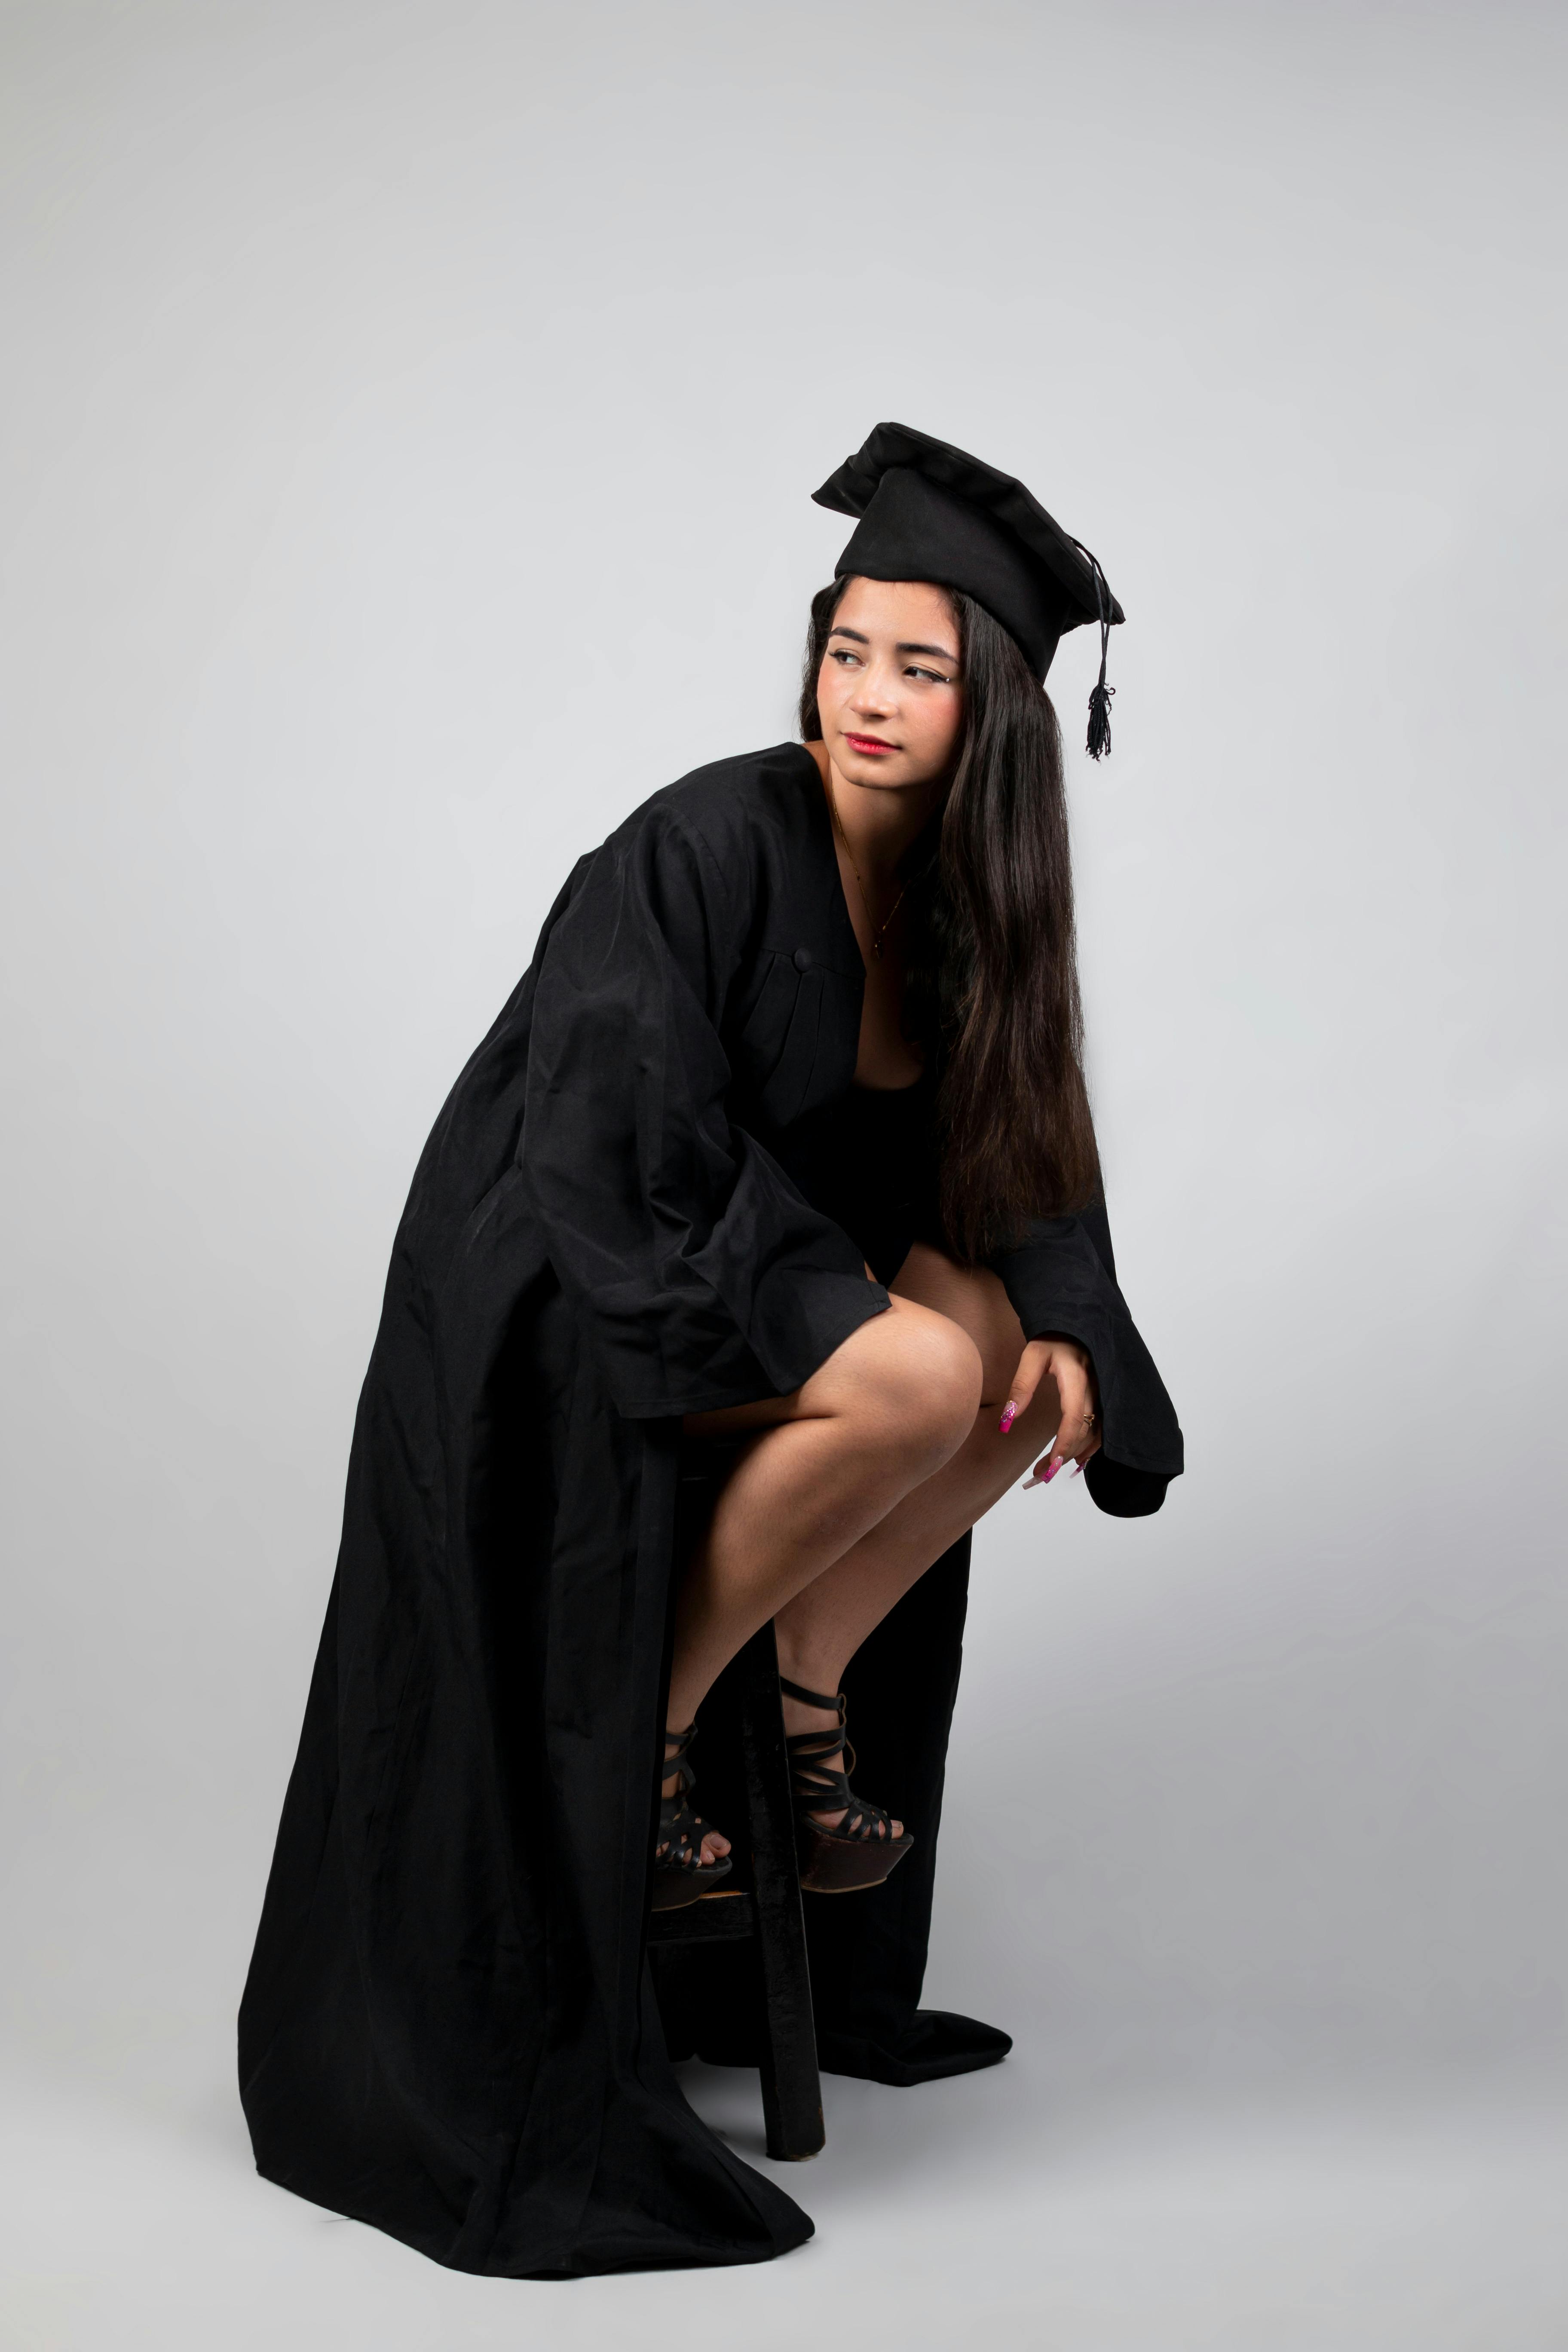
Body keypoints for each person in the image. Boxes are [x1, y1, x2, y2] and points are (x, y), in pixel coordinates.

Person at [239, 423, 1183, 2278]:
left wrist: (1073, 1319)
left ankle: (802, 1695)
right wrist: (845, 1320)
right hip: (572, 1285)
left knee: (1016, 1355)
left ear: (992, 708)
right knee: (924, 1372)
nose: (870, 696)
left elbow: (1026, 1154)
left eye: (921, 668)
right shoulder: (705, 841)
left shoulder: (979, 905)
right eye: (849, 649)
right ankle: (655, 1738)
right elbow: (620, 1141)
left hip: (753, 1276)